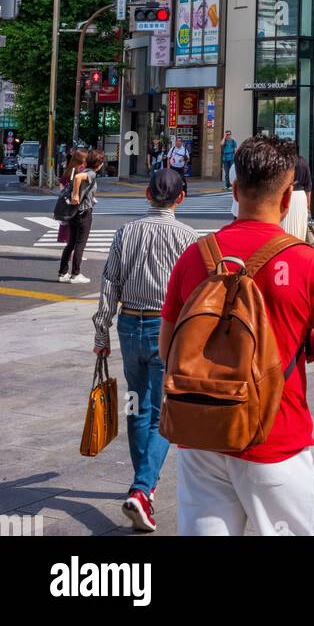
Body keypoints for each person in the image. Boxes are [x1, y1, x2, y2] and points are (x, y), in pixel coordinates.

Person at [161, 135, 314, 536]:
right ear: (287, 199)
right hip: (277, 437)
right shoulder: (311, 264)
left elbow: (168, 349)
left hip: (202, 435)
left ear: (234, 190)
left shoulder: (194, 257)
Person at [92, 168, 199, 531]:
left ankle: (142, 489)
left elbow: (110, 283)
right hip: (165, 331)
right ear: (180, 199)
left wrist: (101, 333)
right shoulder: (188, 238)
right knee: (164, 413)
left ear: (147, 195)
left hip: (129, 328)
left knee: (135, 404)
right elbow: (196, 296)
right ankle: (142, 489)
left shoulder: (126, 232)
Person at [58, 148, 105, 284]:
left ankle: (62, 273)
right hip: (83, 213)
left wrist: (86, 196)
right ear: (99, 164)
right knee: (80, 244)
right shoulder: (91, 173)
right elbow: (78, 179)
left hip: (74, 211)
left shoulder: (83, 170)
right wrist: (76, 195)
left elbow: (79, 182)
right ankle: (75, 274)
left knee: (71, 243)